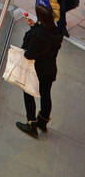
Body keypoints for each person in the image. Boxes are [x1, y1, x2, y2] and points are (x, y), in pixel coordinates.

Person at [16, 7, 64, 138]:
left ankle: (31, 124)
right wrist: (35, 27)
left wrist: (33, 29)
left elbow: (28, 53)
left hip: (37, 71)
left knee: (28, 93)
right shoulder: (57, 32)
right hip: (50, 70)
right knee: (46, 94)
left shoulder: (37, 34)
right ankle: (42, 122)